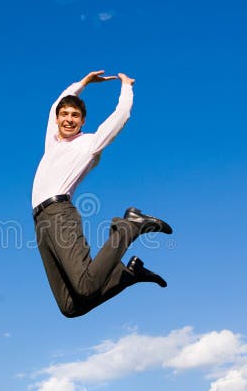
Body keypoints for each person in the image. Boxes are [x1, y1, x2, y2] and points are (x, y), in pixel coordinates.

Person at [32, 70, 173, 318]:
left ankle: (131, 226)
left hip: (59, 214)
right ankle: (128, 274)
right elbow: (58, 101)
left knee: (85, 287)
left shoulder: (90, 144)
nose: (68, 119)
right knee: (69, 307)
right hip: (39, 221)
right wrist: (83, 83)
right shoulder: (52, 142)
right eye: (64, 114)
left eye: (75, 115)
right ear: (56, 119)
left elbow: (120, 117)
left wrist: (126, 87)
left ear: (83, 121)